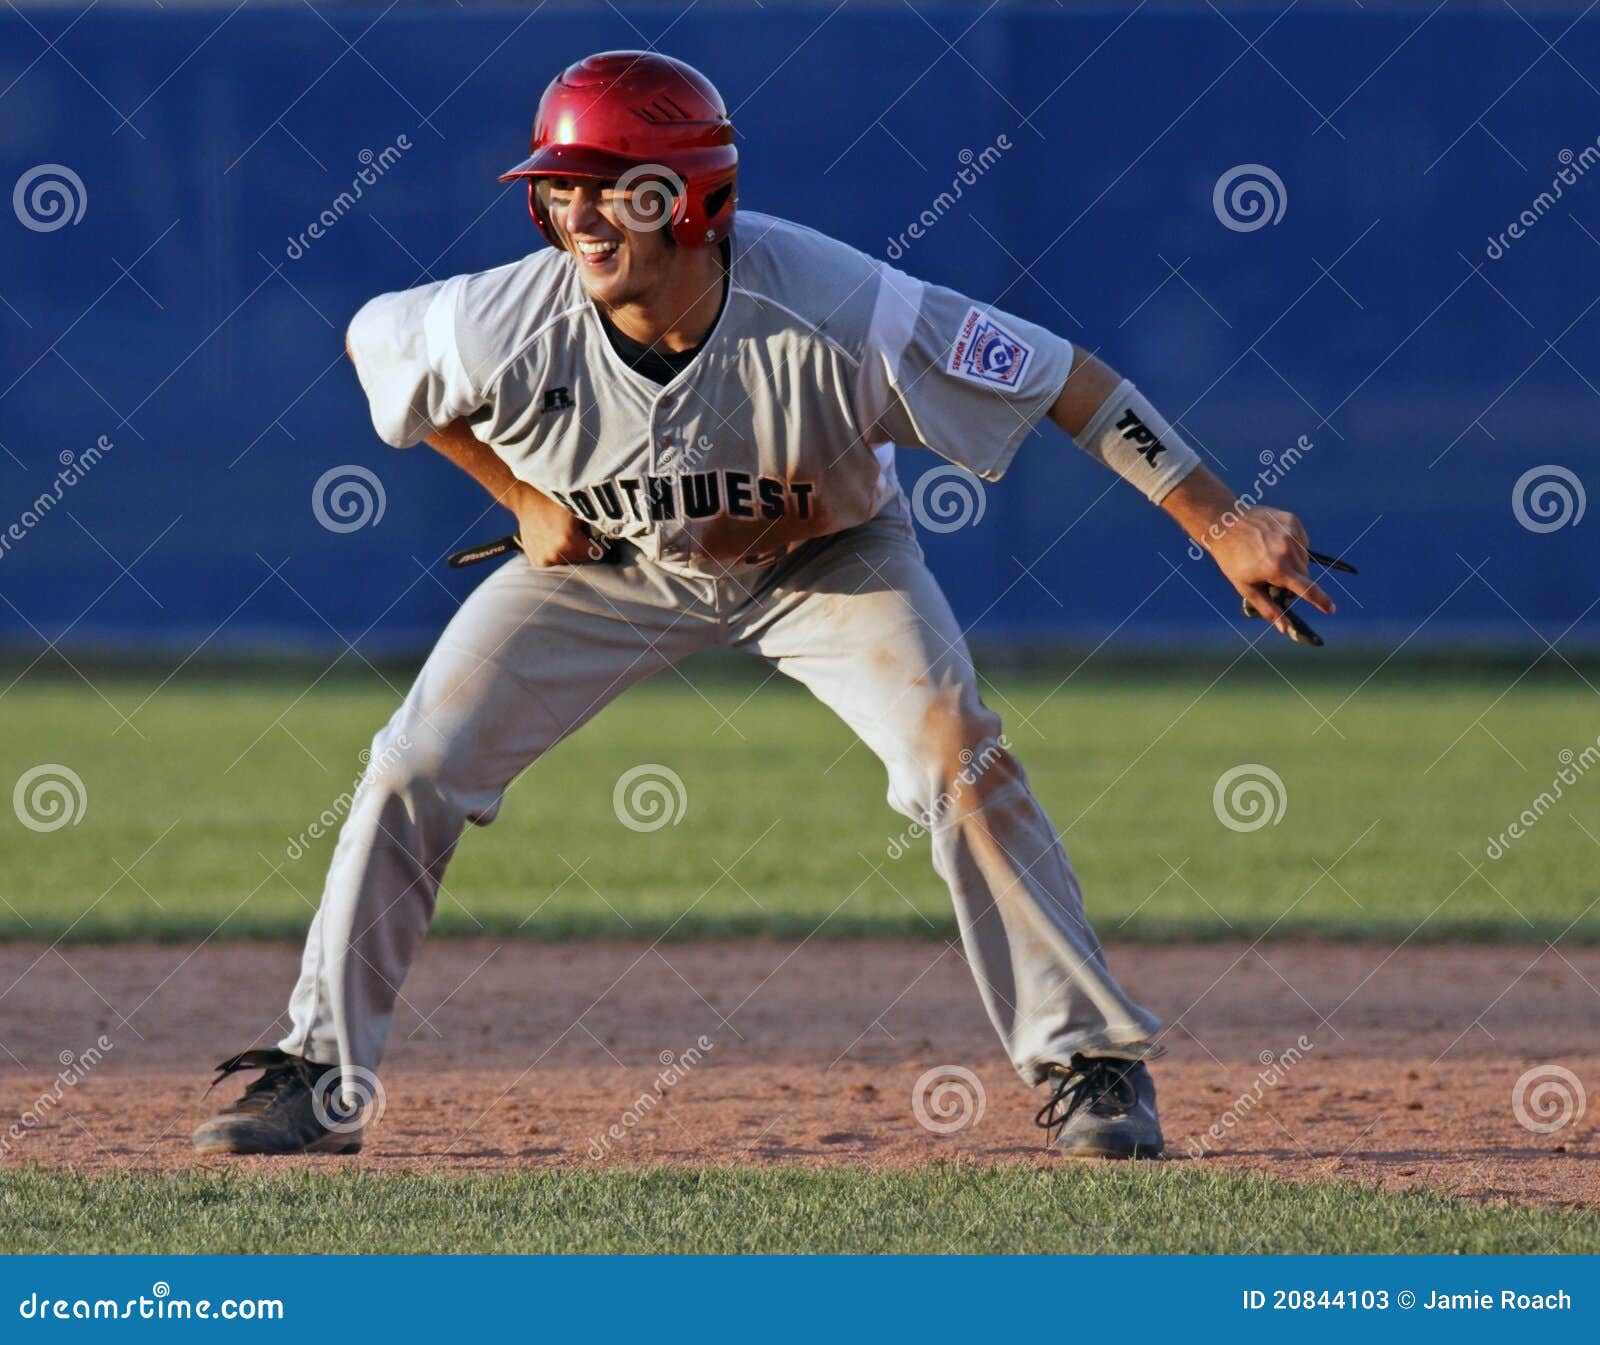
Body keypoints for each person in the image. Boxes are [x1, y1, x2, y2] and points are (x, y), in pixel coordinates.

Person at [193, 50, 1336, 1161]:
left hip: (826, 561)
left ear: (695, 199)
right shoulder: (494, 317)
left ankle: (1088, 1058)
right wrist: (516, 489)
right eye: (560, 187)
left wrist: (1218, 519)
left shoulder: (847, 308)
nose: (578, 213)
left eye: (611, 187)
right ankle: (320, 1071)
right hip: (608, 568)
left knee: (958, 756)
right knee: (413, 761)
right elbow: (374, 349)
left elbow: (1063, 381)